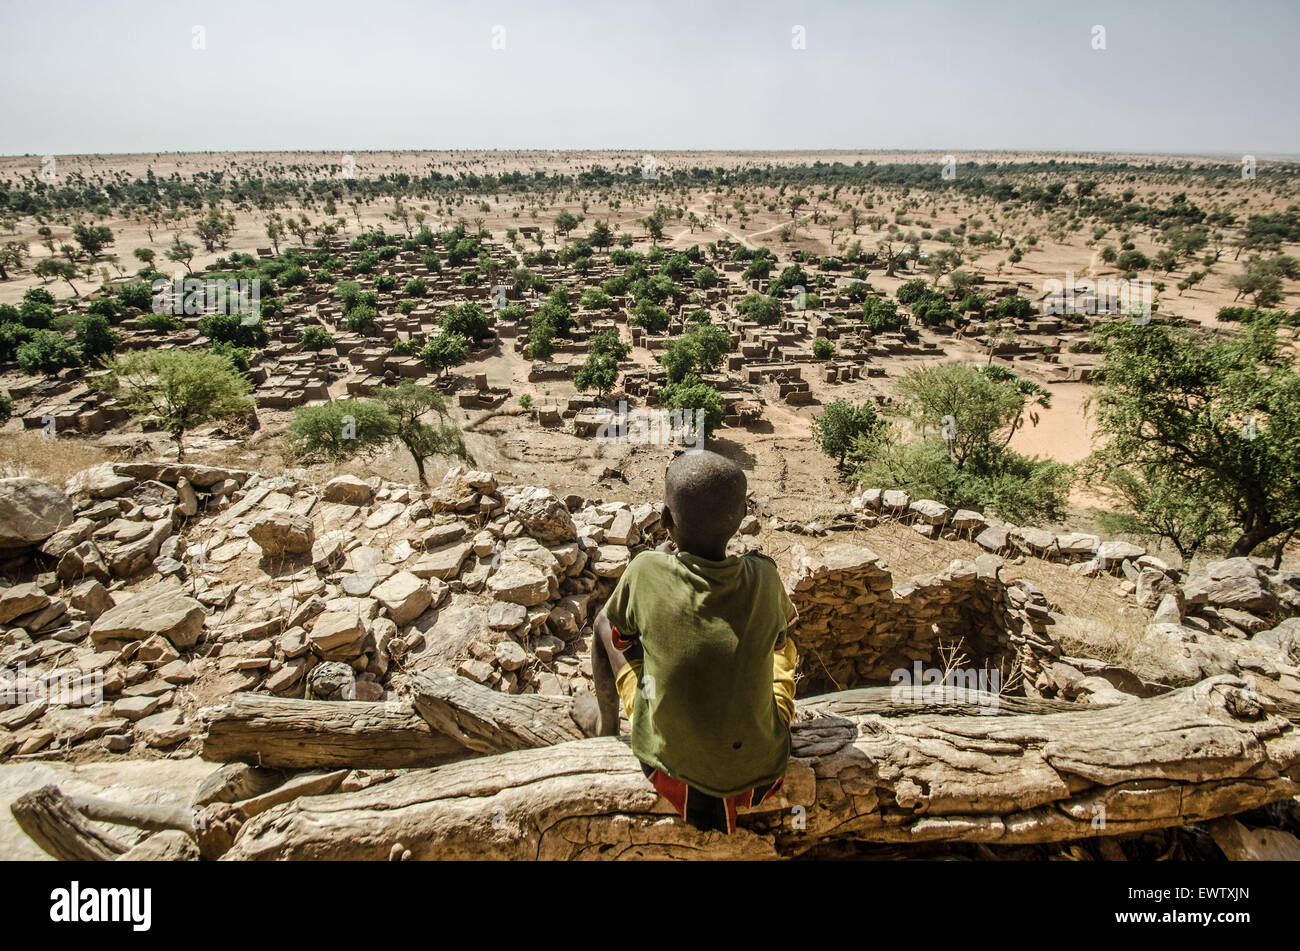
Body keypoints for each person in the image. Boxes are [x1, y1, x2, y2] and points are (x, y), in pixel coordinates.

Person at [590, 450, 798, 834]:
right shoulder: (764, 577)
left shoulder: (646, 569)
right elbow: (783, 631)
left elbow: (624, 628)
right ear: (740, 518)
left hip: (673, 776)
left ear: (666, 519)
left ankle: (606, 727)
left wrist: (664, 560)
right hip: (763, 772)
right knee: (782, 647)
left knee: (607, 623)